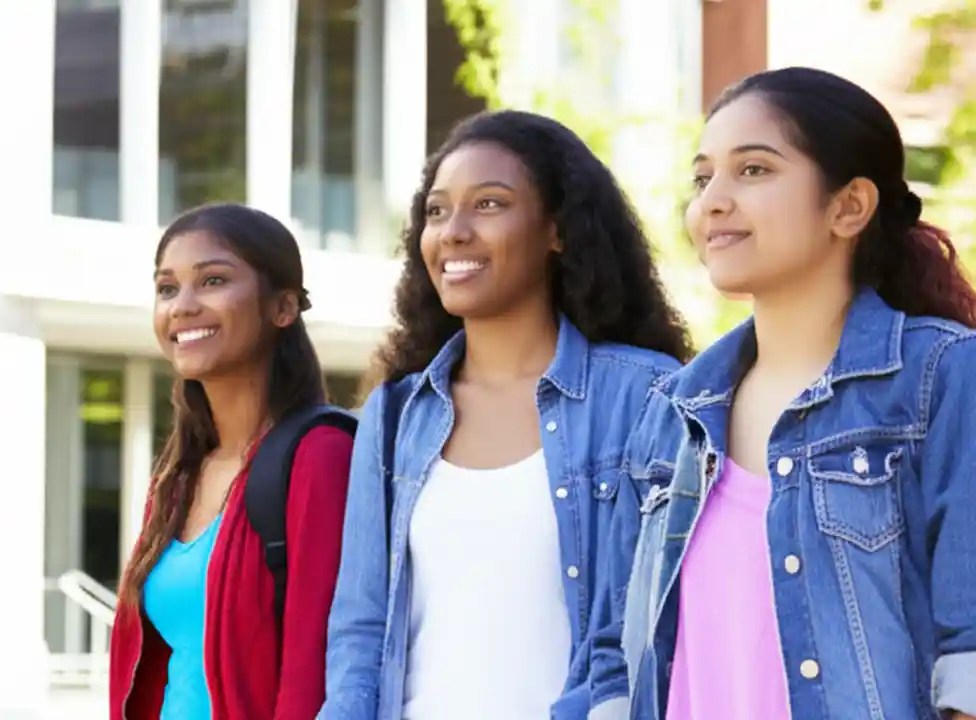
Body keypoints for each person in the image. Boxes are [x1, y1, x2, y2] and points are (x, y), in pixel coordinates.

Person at [590, 67, 976, 720]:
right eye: (703, 176)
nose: (712, 200)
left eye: (754, 170)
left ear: (849, 206)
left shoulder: (941, 376)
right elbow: (612, 657)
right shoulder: (671, 416)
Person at [320, 109, 695, 720]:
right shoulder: (392, 420)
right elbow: (360, 635)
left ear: (558, 230)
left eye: (489, 205)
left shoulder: (646, 396)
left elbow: (647, 630)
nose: (454, 231)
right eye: (437, 211)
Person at [109, 203, 355, 720]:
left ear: (283, 308)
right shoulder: (176, 480)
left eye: (213, 280)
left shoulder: (321, 454)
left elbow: (315, 668)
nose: (182, 306)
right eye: (167, 288)